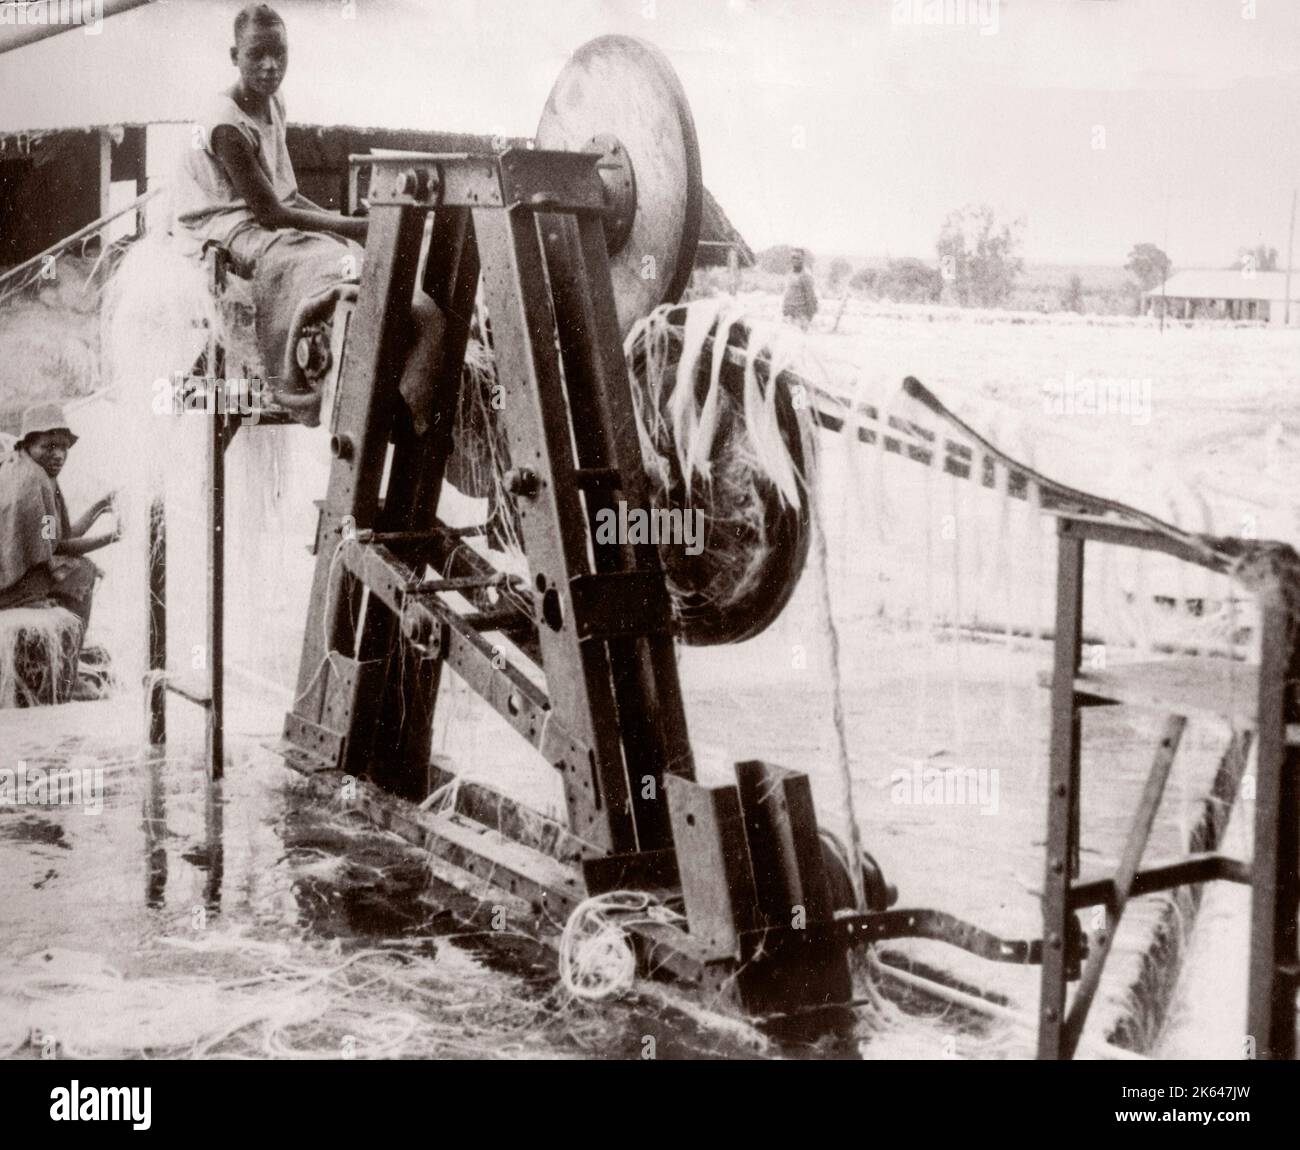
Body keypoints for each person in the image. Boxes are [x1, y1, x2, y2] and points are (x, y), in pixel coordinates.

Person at [0, 403, 118, 666]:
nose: (58, 455)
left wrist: (99, 507)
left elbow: (56, 537)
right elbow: (58, 547)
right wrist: (113, 537)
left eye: (63, 447)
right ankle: (68, 663)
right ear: (29, 444)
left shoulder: (24, 467)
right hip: (7, 587)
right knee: (84, 572)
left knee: (77, 569)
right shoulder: (32, 483)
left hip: (9, 576)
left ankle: (66, 654)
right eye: (48, 446)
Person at [782, 248, 819, 330]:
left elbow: (811, 297)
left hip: (800, 317)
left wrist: (808, 318)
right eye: (793, 257)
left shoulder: (806, 275)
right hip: (789, 315)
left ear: (803, 259)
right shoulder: (790, 273)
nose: (795, 260)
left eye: (797, 258)